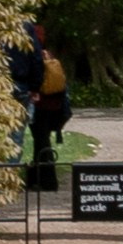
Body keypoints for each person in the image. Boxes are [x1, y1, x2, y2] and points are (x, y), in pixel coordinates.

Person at [11, 20, 74, 183]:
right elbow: (37, 61)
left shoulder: (7, 28)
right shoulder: (28, 29)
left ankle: (12, 175)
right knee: (21, 136)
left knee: (26, 136)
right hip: (28, 90)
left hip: (20, 88)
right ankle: (13, 176)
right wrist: (35, 88)